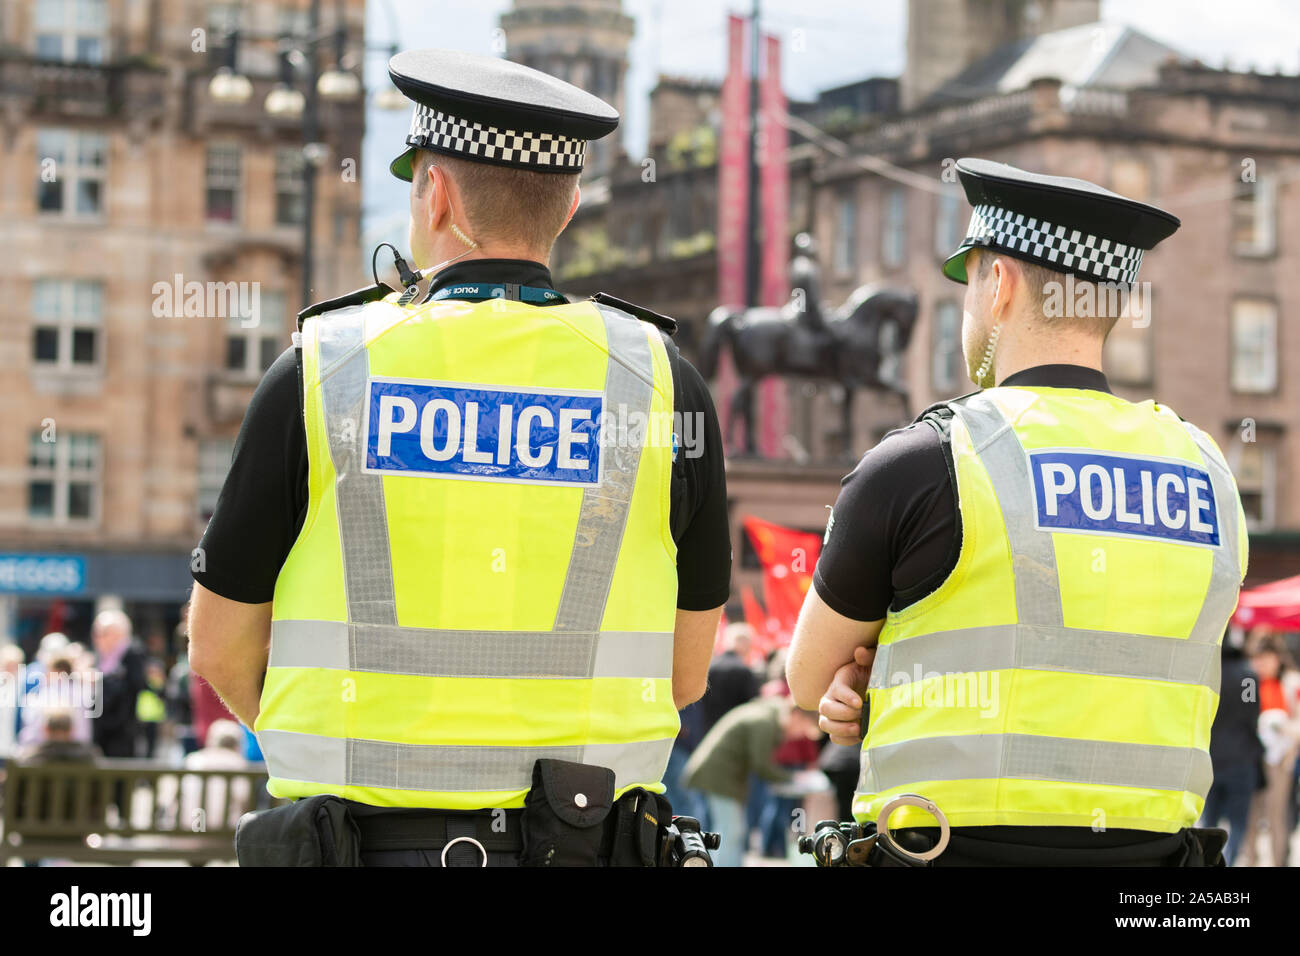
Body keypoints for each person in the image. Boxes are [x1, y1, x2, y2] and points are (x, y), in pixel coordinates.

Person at [187, 48, 731, 867]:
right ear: (572, 203)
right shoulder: (662, 384)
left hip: (365, 848)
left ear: (435, 192)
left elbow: (220, 647)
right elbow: (686, 674)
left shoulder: (325, 369)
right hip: (586, 848)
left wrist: (348, 747)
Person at [788, 158, 1250, 867]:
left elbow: (810, 676)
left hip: (951, 853)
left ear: (998, 284)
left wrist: (879, 673)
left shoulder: (925, 458)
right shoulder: (1206, 469)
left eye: (969, 283)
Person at [680, 696, 821, 867]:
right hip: (719, 777)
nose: (799, 735)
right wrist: (793, 778)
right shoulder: (764, 721)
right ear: (797, 716)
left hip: (720, 776)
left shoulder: (767, 716)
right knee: (730, 833)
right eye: (803, 729)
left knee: (727, 832)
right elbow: (761, 765)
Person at [1199, 634, 1263, 865]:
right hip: (1241, 759)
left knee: (1208, 822)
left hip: (1209, 758)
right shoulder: (1248, 675)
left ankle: (1208, 862)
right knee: (1238, 822)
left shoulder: (1205, 674)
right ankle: (1231, 861)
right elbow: (1253, 716)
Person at [1239, 634, 1300, 866]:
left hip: (1280, 759)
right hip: (1253, 757)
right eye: (1257, 659)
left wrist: (1284, 729)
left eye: (1266, 659)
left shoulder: (1292, 682)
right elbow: (1245, 715)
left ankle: (1279, 860)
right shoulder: (1250, 682)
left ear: (1277, 659)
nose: (1261, 665)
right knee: (1251, 815)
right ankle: (1251, 859)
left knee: (1277, 815)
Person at [89, 609, 148, 759]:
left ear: (118, 634)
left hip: (121, 734)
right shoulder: (99, 657)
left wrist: (98, 681)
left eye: (103, 633)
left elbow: (132, 688)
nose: (97, 639)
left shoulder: (133, 655)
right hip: (101, 732)